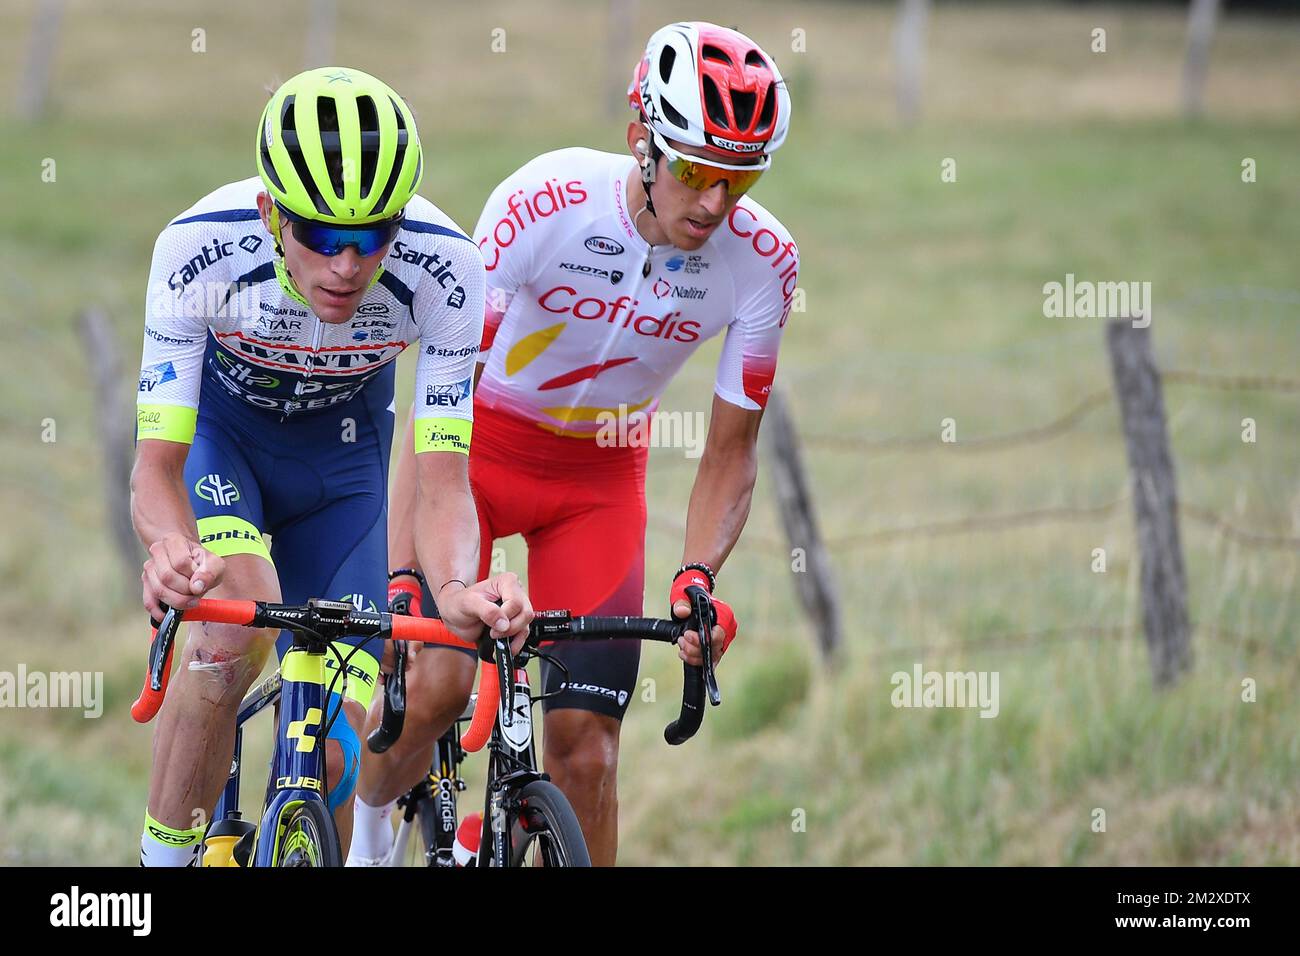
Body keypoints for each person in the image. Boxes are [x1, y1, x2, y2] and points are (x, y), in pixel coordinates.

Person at [348, 22, 797, 867]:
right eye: (695, 172)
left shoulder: (765, 262)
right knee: (437, 684)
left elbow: (732, 450)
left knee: (587, 750)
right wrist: (407, 573)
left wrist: (698, 575)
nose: (714, 203)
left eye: (739, 179)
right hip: (474, 458)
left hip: (598, 483)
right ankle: (370, 838)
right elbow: (437, 405)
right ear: (641, 142)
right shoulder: (543, 202)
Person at [131, 66, 532, 866]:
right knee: (227, 639)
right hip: (225, 448)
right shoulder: (197, 249)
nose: (347, 264)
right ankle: (159, 866)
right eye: (319, 236)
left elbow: (442, 479)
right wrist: (172, 549)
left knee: (339, 750)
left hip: (344, 471)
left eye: (371, 237)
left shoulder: (448, 269)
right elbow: (156, 467)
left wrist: (457, 587)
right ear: (270, 214)